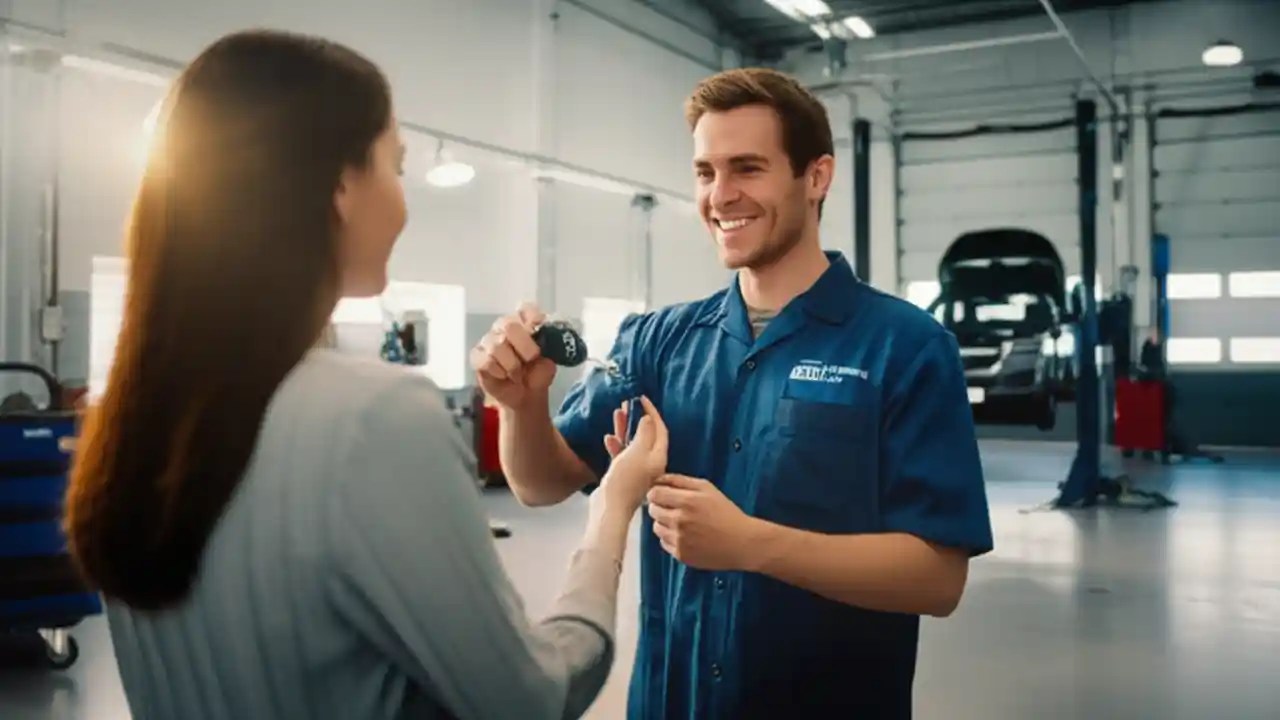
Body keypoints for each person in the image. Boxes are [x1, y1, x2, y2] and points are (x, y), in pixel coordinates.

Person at [63, 30, 670, 720]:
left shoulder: (134, 416)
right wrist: (612, 512)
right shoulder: (377, 415)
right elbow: (527, 700)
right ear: (343, 185)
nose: (404, 201)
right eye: (397, 166)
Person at [471, 68, 994, 719]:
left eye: (746, 168)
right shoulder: (656, 342)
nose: (720, 196)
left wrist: (751, 543)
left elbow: (938, 577)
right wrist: (521, 405)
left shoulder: (906, 347)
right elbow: (540, 484)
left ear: (817, 177)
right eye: (704, 172)